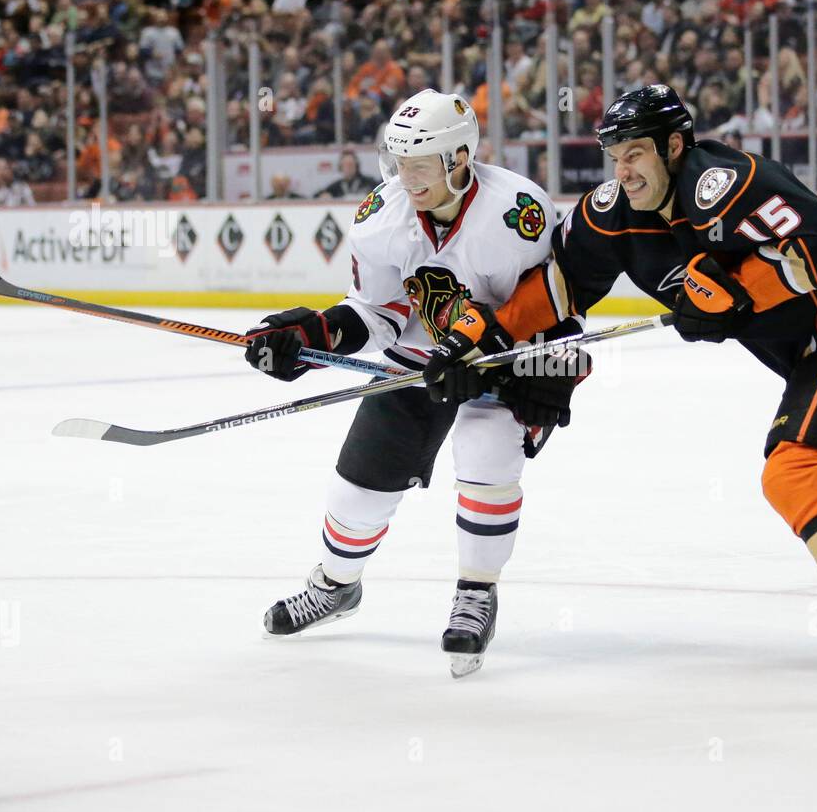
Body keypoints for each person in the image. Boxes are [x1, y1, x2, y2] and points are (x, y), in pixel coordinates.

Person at [423, 85, 817, 710]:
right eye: (614, 155)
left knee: (797, 469)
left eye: (635, 152)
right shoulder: (612, 213)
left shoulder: (722, 181)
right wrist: (480, 338)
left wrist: (740, 290)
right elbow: (558, 287)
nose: (623, 170)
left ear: (673, 145)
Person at [243, 89, 574, 678]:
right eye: (397, 160)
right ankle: (335, 586)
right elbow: (378, 313)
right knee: (357, 488)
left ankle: (476, 594)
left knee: (485, 461)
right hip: (423, 359)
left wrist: (554, 375)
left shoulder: (519, 210)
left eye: (419, 163)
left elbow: (559, 304)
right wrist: (313, 338)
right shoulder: (382, 214)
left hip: (502, 361)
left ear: (459, 160)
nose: (404, 175)